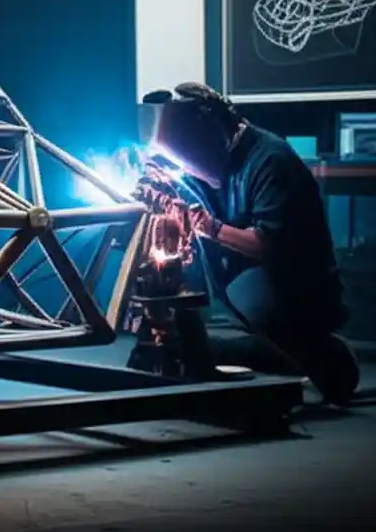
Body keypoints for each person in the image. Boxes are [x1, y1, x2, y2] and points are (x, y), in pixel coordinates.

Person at [141, 82, 360, 404]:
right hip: (236, 283)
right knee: (180, 316)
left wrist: (210, 228)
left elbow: (271, 245)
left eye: (189, 162)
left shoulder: (271, 160)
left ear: (211, 132)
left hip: (295, 287)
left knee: (245, 313)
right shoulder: (209, 161)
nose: (188, 173)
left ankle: (317, 353)